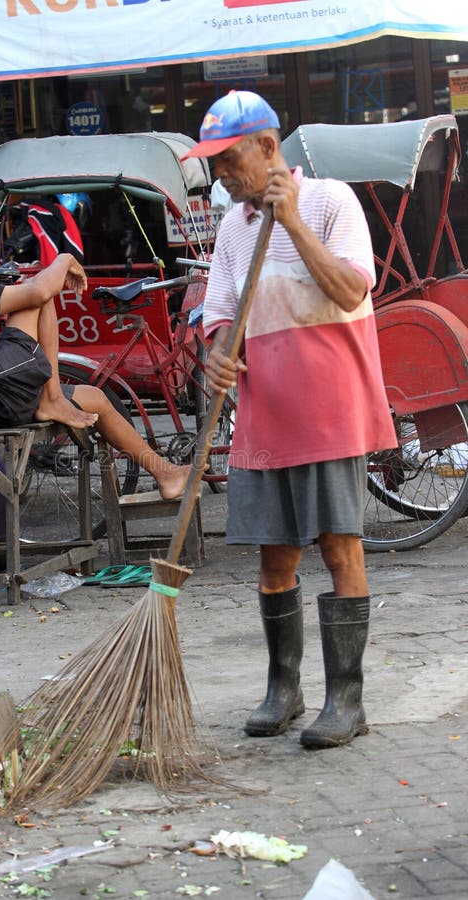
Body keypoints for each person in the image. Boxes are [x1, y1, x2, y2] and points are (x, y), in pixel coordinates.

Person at [182, 91, 396, 749]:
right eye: (212, 163)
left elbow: (352, 288)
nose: (221, 174)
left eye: (229, 158)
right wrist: (216, 353)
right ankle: (284, 688)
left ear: (269, 148)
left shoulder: (332, 201)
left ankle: (346, 701)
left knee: (339, 547)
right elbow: (219, 312)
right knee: (274, 558)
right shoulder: (233, 228)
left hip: (330, 407)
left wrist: (295, 221)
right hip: (265, 412)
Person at [0, 227, 189, 501]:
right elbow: (39, 292)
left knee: (96, 399)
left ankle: (165, 474)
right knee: (37, 293)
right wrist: (64, 260)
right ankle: (51, 398)